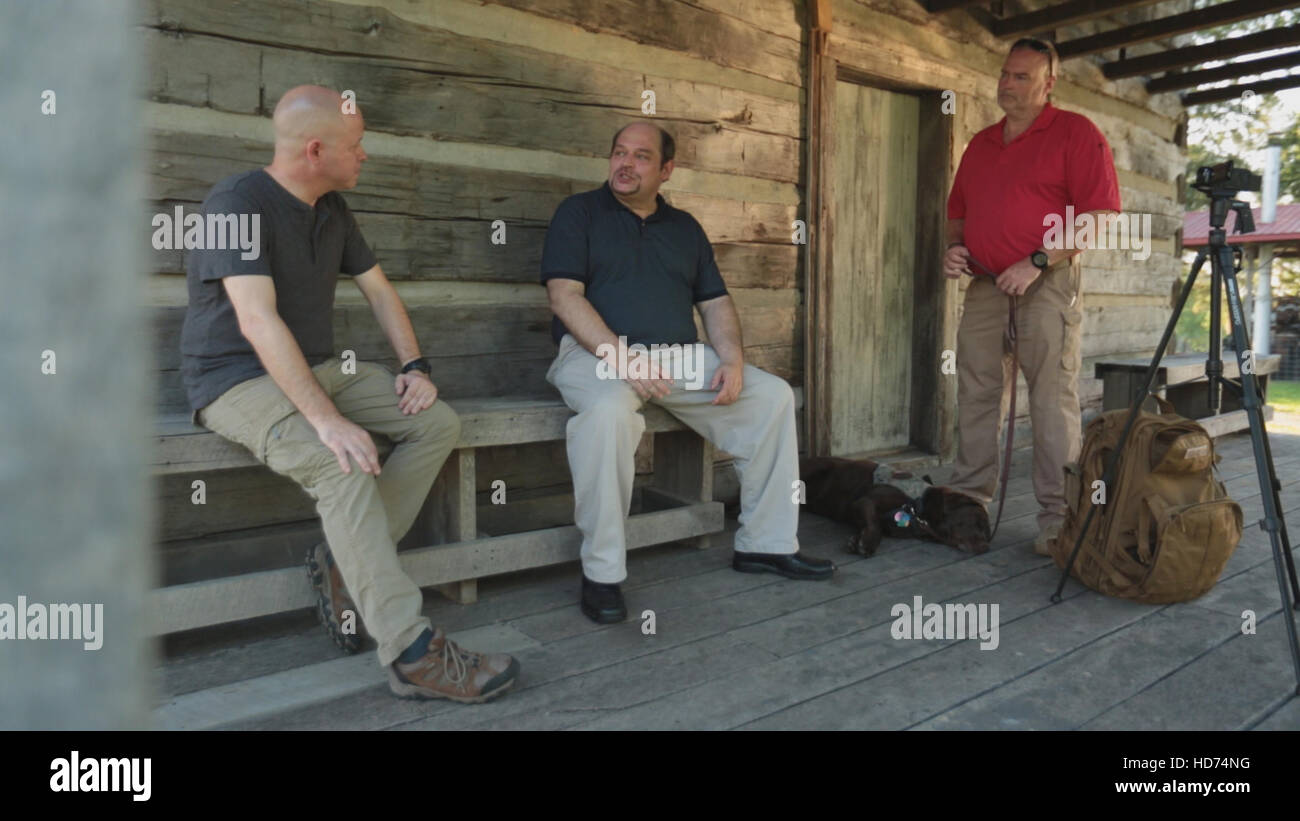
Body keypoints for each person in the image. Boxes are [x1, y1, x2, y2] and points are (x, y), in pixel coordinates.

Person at [179, 85, 518, 702]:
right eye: (357, 146)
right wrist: (327, 421)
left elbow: (379, 290)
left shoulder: (332, 208)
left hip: (315, 367)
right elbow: (257, 322)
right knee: (343, 466)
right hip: (234, 380)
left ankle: (347, 562)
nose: (365, 156)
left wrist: (415, 365)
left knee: (436, 422)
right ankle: (413, 654)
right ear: (315, 149)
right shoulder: (236, 203)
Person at [541, 121, 835, 624]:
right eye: (618, 153)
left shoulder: (685, 229)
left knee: (772, 397)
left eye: (640, 156)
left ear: (667, 170)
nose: (625, 164)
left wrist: (733, 359)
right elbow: (564, 294)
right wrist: (620, 356)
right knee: (609, 413)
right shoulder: (579, 213)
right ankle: (603, 573)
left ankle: (764, 545)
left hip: (677, 356)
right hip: (593, 356)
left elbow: (716, 302)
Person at [942, 39, 1121, 555]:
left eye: (1022, 76)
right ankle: (968, 505)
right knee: (975, 393)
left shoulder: (1075, 133)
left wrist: (1037, 260)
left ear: (1049, 84)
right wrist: (954, 249)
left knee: (1050, 400)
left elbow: (1099, 216)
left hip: (1046, 284)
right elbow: (957, 214)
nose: (1008, 84)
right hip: (983, 285)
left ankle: (1059, 521)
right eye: (1004, 74)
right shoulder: (980, 144)